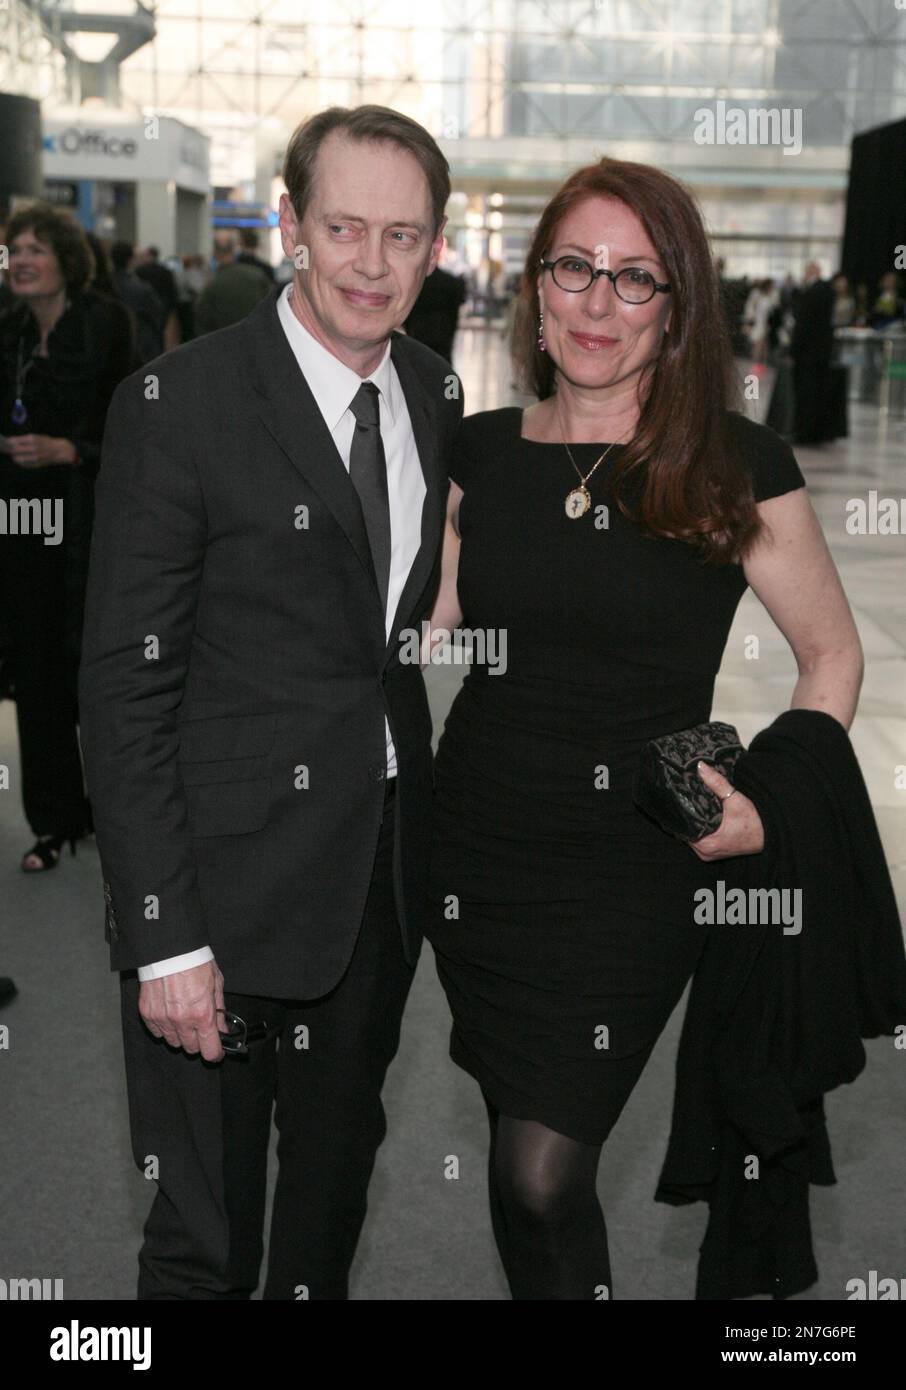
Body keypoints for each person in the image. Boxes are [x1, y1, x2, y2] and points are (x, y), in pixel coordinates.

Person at [423, 157, 863, 1300]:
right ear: (535, 282)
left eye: (635, 280)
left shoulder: (732, 464)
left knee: (538, 1166)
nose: (596, 304)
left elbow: (833, 652)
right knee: (519, 1135)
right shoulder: (480, 450)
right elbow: (430, 623)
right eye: (574, 268)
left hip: (630, 869)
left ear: (679, 310)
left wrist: (774, 795)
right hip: (474, 844)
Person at [78, 103, 462, 1300]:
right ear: (291, 222)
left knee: (335, 1186)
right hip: (220, 895)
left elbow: (379, 623)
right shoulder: (177, 403)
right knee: (204, 1229)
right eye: (343, 226)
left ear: (437, 244)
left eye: (403, 236)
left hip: (375, 876)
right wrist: (166, 934)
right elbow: (125, 687)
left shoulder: (431, 392)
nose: (371, 262)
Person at [0, 201, 132, 871]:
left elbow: (143, 427)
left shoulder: (104, 324)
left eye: (33, 249)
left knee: (100, 669)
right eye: (13, 250)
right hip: (20, 523)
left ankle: (123, 814)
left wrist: (70, 450)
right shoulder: (9, 330)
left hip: (93, 517)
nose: (20, 260)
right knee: (37, 669)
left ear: (64, 261)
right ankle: (53, 821)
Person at [790, 261, 836, 444]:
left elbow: (803, 326)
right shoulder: (828, 292)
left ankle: (804, 433)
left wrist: (794, 350)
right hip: (822, 354)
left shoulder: (811, 294)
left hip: (807, 355)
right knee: (818, 393)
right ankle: (815, 432)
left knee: (806, 394)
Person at [194, 231, 271, 334]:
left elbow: (203, 322)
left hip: (222, 343)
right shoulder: (258, 275)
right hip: (256, 338)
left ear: (214, 253)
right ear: (233, 250)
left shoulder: (212, 284)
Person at [110, 240, 165, 364]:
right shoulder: (142, 289)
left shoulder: (104, 289)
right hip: (141, 347)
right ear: (131, 260)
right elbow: (157, 315)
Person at [404, 256, 467, 362]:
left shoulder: (414, 283)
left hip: (418, 335)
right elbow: (454, 313)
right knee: (443, 372)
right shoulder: (452, 283)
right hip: (443, 338)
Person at [134, 246, 181, 350]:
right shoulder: (166, 271)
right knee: (160, 331)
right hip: (164, 305)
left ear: (148, 255)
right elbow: (172, 291)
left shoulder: (140, 271)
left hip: (146, 307)